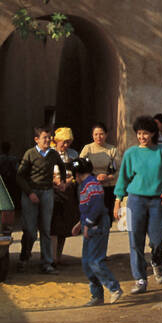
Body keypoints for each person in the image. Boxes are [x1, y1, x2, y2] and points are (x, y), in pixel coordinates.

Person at [114, 115, 162, 294]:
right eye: (139, 133)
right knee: (135, 241)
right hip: (135, 199)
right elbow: (123, 180)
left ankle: (157, 262)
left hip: (159, 201)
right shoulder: (130, 154)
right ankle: (140, 279)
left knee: (157, 240)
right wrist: (117, 200)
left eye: (146, 133)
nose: (142, 137)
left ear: (153, 133)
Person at [71, 156, 123, 306]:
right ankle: (97, 295)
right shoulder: (86, 185)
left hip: (97, 225)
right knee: (87, 262)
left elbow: (97, 206)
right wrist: (80, 224)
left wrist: (87, 224)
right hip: (89, 225)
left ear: (77, 174)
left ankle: (114, 288)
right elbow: (87, 209)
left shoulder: (92, 185)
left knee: (95, 260)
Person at [16, 128, 56, 272]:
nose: (47, 140)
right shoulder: (29, 154)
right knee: (30, 230)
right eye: (44, 137)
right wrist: (30, 193)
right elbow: (19, 176)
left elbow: (62, 168)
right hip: (30, 194)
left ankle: (47, 263)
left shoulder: (52, 154)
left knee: (46, 229)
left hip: (47, 192)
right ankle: (24, 256)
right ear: (36, 139)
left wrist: (62, 181)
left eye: (49, 138)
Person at [80, 123, 123, 230]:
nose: (98, 137)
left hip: (108, 187)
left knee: (106, 220)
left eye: (101, 134)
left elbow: (120, 170)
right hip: (91, 188)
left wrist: (108, 177)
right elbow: (80, 167)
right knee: (92, 218)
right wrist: (93, 177)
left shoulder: (112, 150)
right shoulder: (88, 149)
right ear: (92, 135)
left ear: (106, 135)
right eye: (96, 134)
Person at [48, 128, 80, 263]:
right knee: (54, 225)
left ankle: (58, 256)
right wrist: (55, 181)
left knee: (65, 226)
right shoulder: (49, 154)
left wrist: (68, 182)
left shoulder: (73, 154)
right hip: (53, 191)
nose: (65, 145)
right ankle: (52, 257)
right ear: (56, 140)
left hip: (68, 191)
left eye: (68, 142)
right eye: (63, 142)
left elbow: (77, 172)